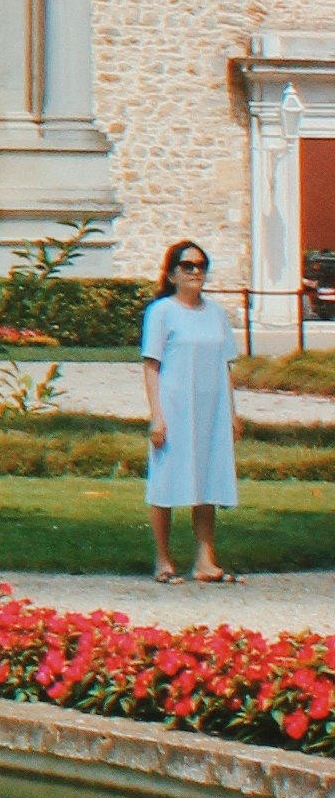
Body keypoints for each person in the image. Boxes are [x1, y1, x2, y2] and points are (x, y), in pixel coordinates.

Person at [140, 237, 238, 585]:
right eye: (188, 266)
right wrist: (157, 414)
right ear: (171, 274)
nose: (196, 271)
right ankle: (163, 559)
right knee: (166, 481)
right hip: (175, 406)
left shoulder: (216, 314)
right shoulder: (162, 312)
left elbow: (226, 365)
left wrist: (232, 413)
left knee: (207, 480)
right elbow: (152, 365)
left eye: (201, 265)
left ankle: (205, 559)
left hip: (210, 409)